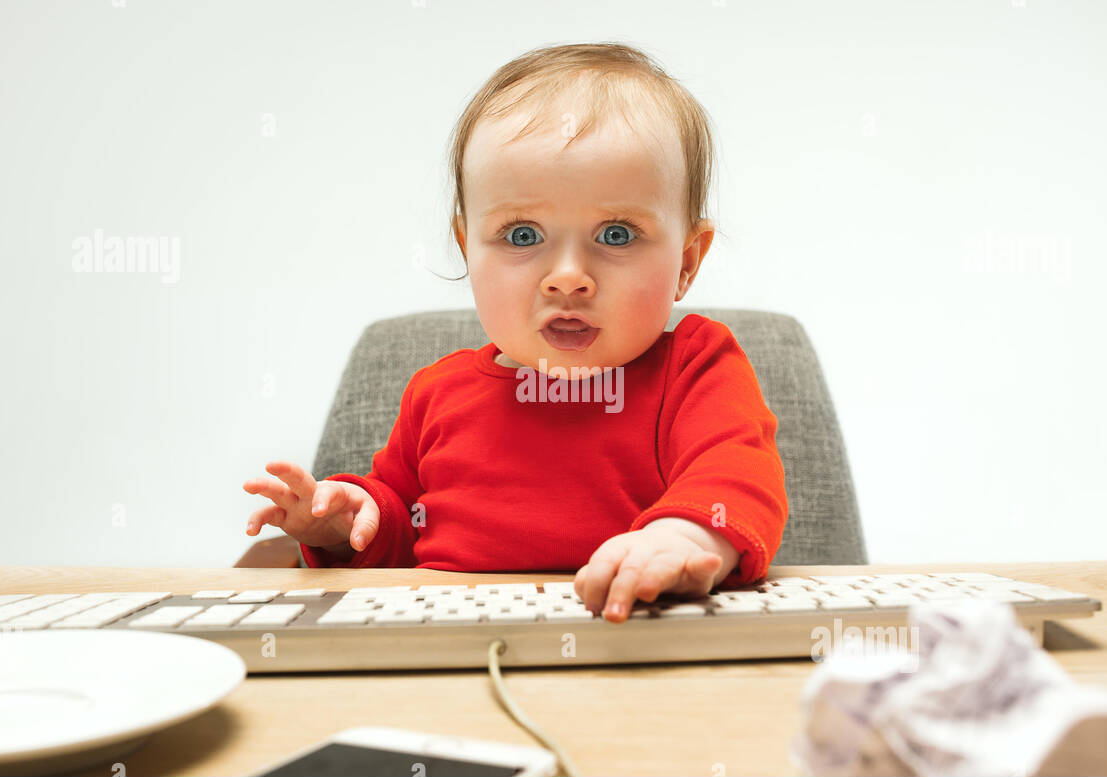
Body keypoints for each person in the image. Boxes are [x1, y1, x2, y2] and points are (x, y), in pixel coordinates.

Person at [243, 42, 788, 623]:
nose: (569, 278)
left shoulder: (695, 368)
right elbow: (401, 534)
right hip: (450, 648)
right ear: (467, 249)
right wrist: (344, 525)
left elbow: (738, 476)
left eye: (618, 235)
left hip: (633, 642)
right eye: (523, 236)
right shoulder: (436, 394)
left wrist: (682, 540)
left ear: (686, 261)